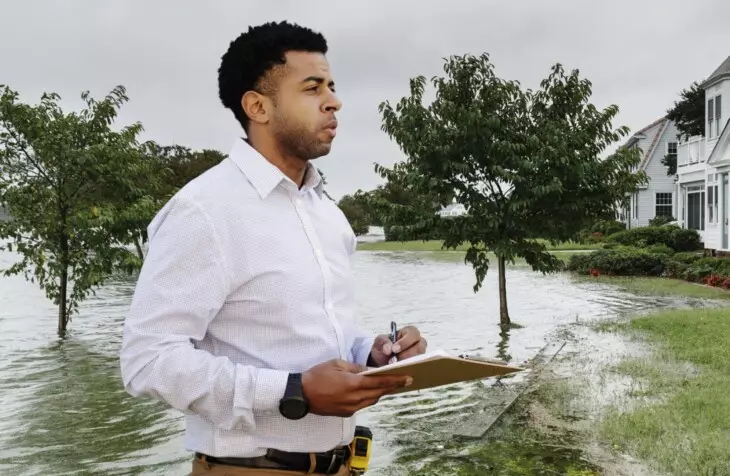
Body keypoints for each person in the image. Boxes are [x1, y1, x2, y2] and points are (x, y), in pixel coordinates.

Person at [119, 20, 428, 476]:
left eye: (332, 85)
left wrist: (372, 354)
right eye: (312, 88)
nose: (334, 100)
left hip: (345, 465)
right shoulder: (204, 211)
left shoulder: (327, 213)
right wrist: (291, 391)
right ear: (258, 106)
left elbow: (319, 333)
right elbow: (147, 361)